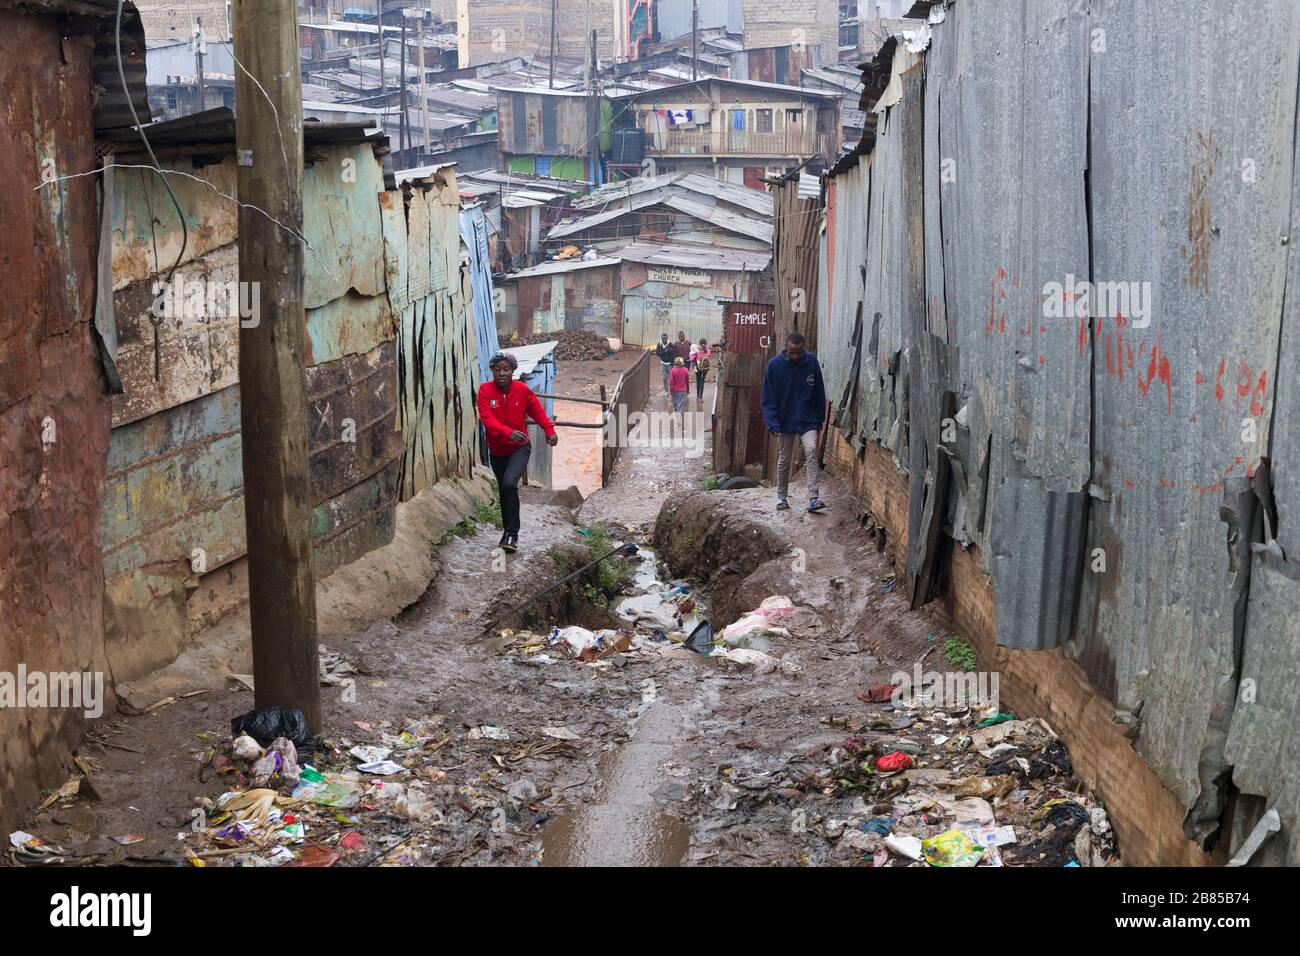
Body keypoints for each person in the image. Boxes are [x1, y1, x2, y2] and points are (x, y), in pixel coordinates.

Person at [476, 352, 558, 553]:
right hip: (497, 450)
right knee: (505, 490)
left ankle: (512, 534)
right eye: (497, 370)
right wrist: (507, 432)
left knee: (509, 483)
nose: (502, 373)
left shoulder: (522, 390)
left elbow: (537, 411)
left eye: (506, 369)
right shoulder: (485, 391)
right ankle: (507, 533)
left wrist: (549, 430)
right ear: (492, 371)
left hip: (520, 447)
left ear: (513, 371)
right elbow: (487, 419)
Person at [760, 332, 827, 513]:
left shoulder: (811, 363)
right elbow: (768, 398)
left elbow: (819, 393)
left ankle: (814, 498)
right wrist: (772, 423)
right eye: (792, 352)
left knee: (811, 450)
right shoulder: (774, 366)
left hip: (808, 419)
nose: (795, 356)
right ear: (786, 348)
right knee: (785, 458)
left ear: (803, 348)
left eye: (798, 352)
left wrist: (819, 419)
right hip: (785, 420)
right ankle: (782, 497)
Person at [690, 337, 711, 401]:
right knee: (702, 382)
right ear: (706, 343)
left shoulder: (697, 351)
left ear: (699, 344)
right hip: (704, 369)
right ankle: (700, 397)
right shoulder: (708, 351)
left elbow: (692, 359)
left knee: (698, 381)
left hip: (697, 368)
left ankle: (698, 397)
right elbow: (709, 356)